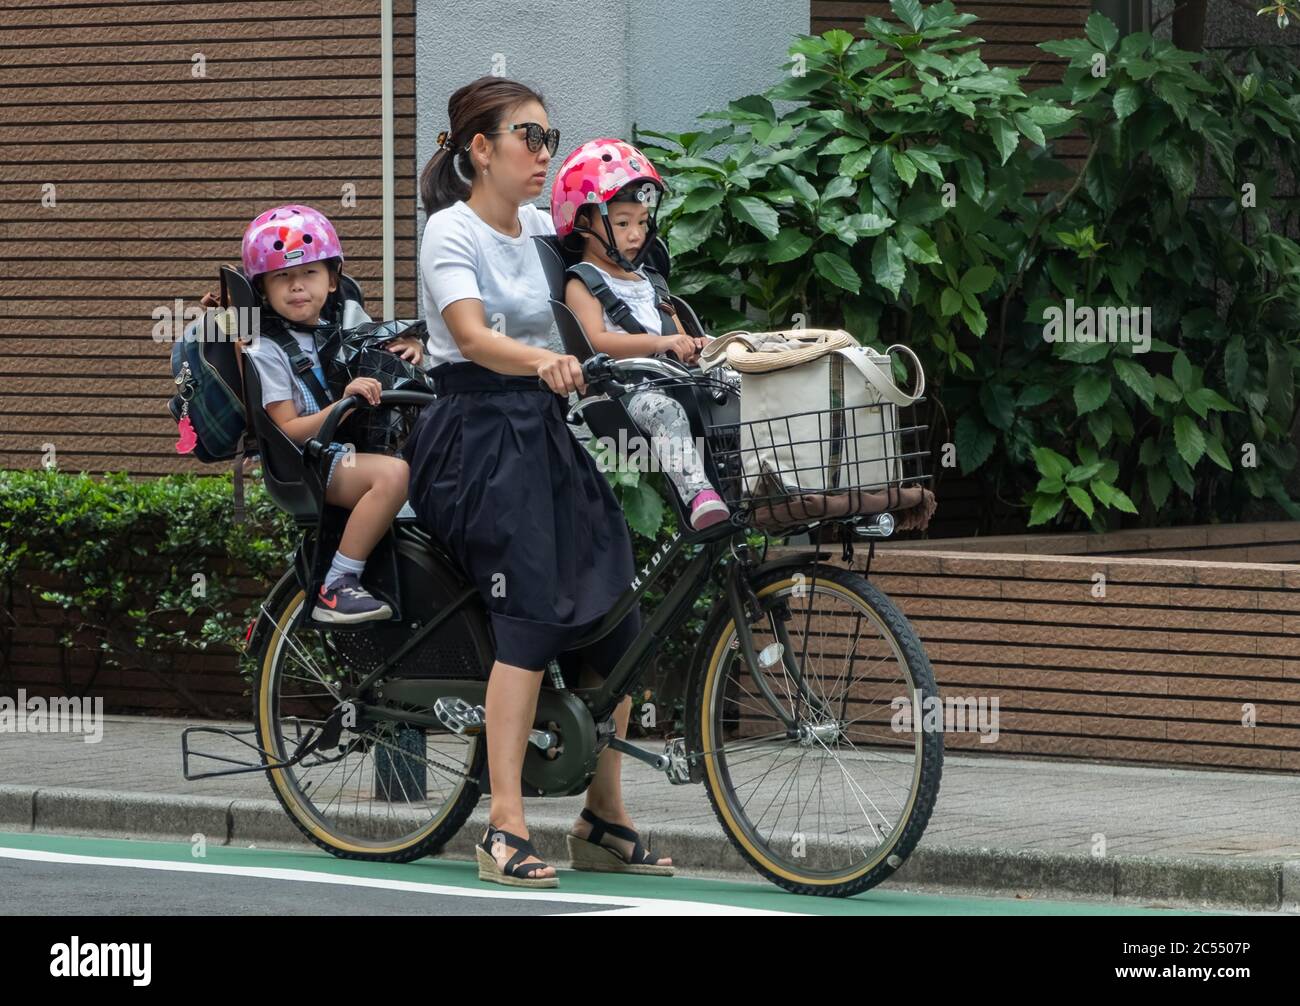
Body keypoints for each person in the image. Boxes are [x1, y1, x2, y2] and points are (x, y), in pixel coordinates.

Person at [404, 77, 673, 888]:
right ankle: (504, 826)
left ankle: (603, 818)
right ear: (479, 149)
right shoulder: (450, 233)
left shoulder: (538, 231)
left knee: (617, 612)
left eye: (549, 138)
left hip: (544, 431)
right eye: (529, 136)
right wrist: (545, 361)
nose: (543, 153)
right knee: (527, 610)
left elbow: (596, 297)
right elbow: (472, 338)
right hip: (473, 439)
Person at [241, 204, 419, 624]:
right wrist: (343, 404)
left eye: (309, 274)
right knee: (393, 476)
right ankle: (337, 584)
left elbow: (381, 361)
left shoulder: (339, 327)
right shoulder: (267, 350)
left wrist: (409, 353)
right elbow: (286, 429)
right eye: (282, 277)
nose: (297, 286)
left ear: (333, 279)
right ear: (263, 289)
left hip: (344, 450)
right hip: (309, 460)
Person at [555, 138, 730, 530]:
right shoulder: (583, 283)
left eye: (641, 221)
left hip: (673, 379)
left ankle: (764, 483)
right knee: (664, 411)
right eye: (621, 223)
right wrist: (659, 344)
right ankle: (698, 494)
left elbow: (676, 332)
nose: (635, 234)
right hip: (625, 394)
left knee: (736, 386)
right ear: (585, 224)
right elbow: (596, 342)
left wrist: (693, 345)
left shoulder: (649, 279)